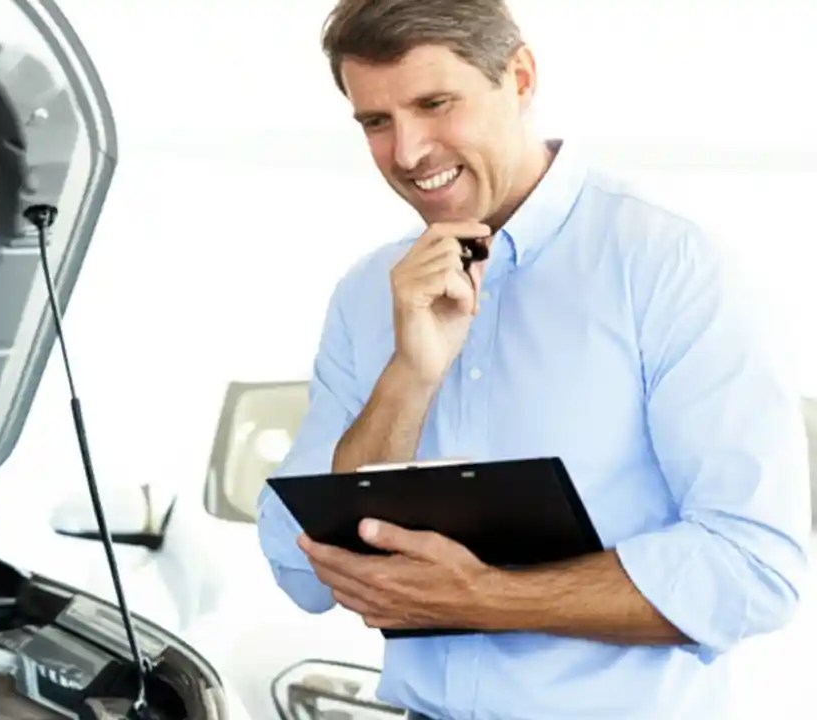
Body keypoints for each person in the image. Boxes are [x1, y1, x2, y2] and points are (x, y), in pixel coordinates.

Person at [255, 0, 812, 718]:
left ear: (519, 77)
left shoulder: (667, 265)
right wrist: (410, 377)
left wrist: (485, 596)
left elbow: (753, 566)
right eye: (377, 122)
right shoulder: (370, 294)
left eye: (435, 103)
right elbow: (297, 565)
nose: (410, 151)